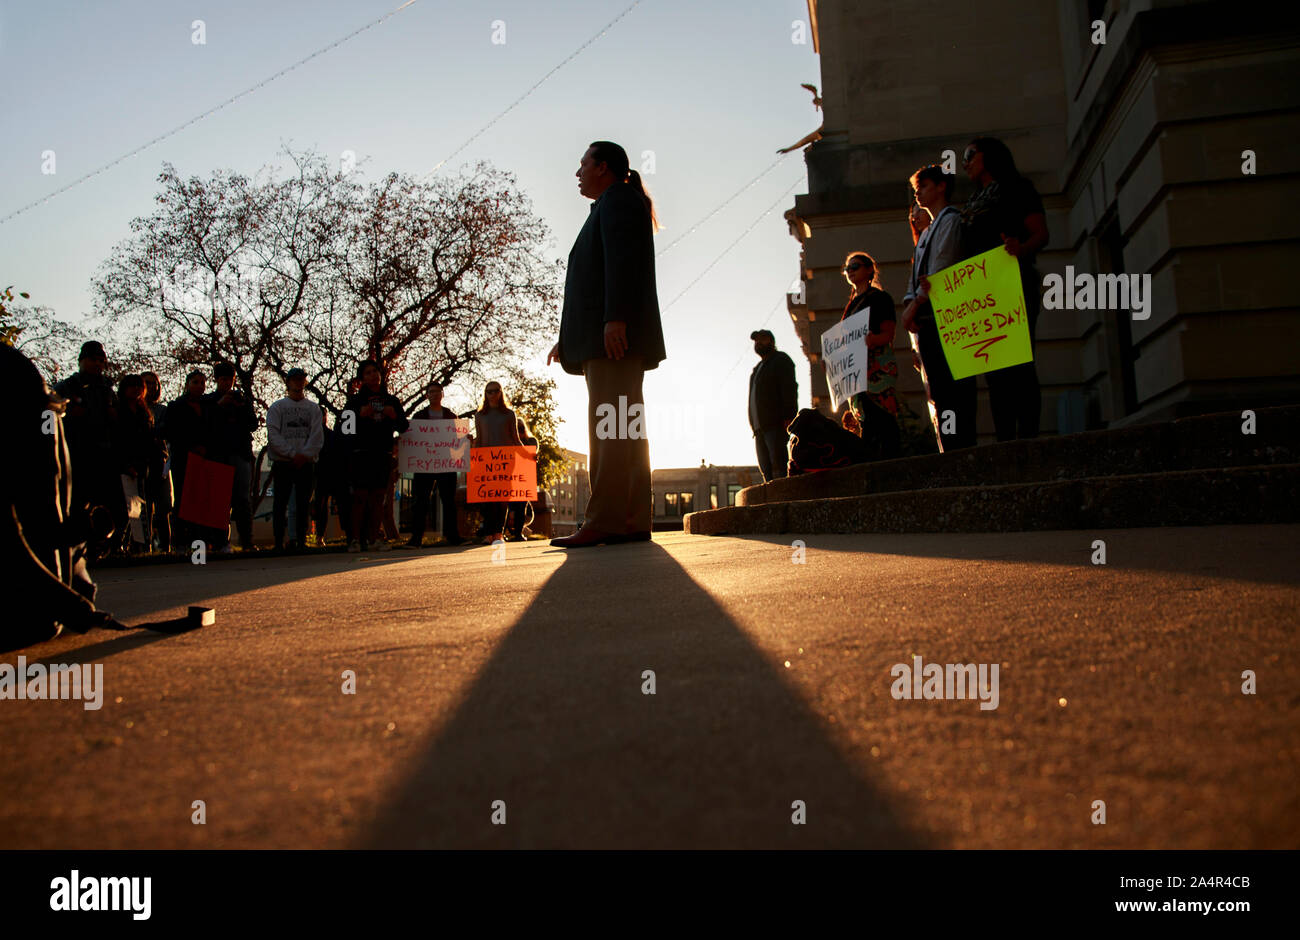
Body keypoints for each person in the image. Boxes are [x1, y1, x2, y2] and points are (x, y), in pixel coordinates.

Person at [547, 140, 666, 548]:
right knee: (624, 425)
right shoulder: (613, 203)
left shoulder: (617, 200)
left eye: (583, 164)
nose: (577, 172)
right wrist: (568, 338)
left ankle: (607, 520)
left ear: (602, 167)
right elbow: (593, 280)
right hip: (604, 337)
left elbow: (622, 265)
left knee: (611, 426)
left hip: (612, 339)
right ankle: (630, 519)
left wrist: (615, 319)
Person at [958, 136, 1049, 440]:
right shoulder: (972, 200)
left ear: (989, 156)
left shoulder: (1018, 188)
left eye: (970, 155)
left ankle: (1028, 439)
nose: (965, 163)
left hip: (1012, 279)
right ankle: (1005, 440)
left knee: (1019, 363)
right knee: (994, 369)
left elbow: (1040, 233)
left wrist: (1021, 247)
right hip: (981, 292)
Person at [901, 164, 977, 452]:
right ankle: (950, 446)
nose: (918, 193)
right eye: (917, 189)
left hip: (950, 319)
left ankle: (961, 447)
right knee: (941, 393)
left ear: (941, 186)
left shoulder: (950, 221)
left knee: (956, 390)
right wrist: (911, 303)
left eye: (924, 187)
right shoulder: (928, 231)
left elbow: (940, 271)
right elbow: (918, 280)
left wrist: (915, 304)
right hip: (929, 321)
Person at [54, 341, 124, 559]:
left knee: (113, 504)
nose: (97, 364)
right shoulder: (67, 387)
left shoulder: (108, 390)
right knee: (79, 505)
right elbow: (52, 418)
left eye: (101, 360)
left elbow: (120, 423)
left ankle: (110, 545)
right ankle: (80, 547)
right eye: (93, 359)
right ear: (81, 360)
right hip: (78, 454)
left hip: (106, 455)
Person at [343, 360, 408, 552]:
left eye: (375, 371)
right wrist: (359, 415)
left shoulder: (391, 401)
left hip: (383, 454)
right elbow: (344, 430)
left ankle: (374, 539)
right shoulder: (355, 401)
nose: (373, 375)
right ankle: (355, 539)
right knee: (360, 496)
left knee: (379, 498)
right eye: (368, 372)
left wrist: (394, 416)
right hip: (361, 454)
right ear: (362, 378)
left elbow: (404, 427)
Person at [840, 252, 900, 460]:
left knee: (882, 418)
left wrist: (874, 340)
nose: (850, 272)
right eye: (847, 269)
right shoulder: (850, 306)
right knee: (864, 421)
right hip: (856, 371)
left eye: (855, 267)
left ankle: (891, 467)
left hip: (876, 370)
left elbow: (889, 333)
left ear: (869, 270)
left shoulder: (879, 298)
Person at [266, 368, 324, 553]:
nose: (298, 383)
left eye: (301, 379)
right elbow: (273, 435)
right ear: (288, 382)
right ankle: (278, 541)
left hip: (305, 463)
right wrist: (291, 454)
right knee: (280, 503)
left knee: (302, 503)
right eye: (295, 379)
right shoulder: (277, 407)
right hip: (283, 462)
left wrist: (304, 455)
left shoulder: (313, 408)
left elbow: (316, 436)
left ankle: (301, 539)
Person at [405, 380, 466, 548]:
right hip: (424, 466)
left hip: (446, 465)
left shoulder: (451, 416)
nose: (434, 394)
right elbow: (411, 438)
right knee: (421, 501)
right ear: (427, 395)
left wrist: (466, 440)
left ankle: (453, 536)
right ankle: (416, 538)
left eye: (437, 391)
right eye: (431, 392)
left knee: (449, 501)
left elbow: (458, 440)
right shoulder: (419, 417)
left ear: (442, 394)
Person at [205, 361, 258, 552]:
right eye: (223, 379)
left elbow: (253, 424)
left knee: (243, 500)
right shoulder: (209, 401)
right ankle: (221, 542)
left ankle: (247, 542)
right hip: (218, 455)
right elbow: (205, 425)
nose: (227, 383)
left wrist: (241, 407)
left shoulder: (242, 400)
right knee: (220, 501)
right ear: (217, 380)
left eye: (230, 379)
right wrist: (219, 406)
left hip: (240, 454)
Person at [163, 370, 214, 550]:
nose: (199, 386)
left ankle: (199, 545)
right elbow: (170, 431)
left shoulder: (208, 406)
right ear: (187, 384)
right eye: (195, 382)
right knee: (183, 501)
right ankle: (179, 544)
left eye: (202, 383)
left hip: (204, 459)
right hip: (183, 458)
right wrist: (190, 446)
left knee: (201, 502)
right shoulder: (176, 406)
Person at [471, 381, 525, 545]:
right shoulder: (479, 416)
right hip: (486, 460)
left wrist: (529, 455)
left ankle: (498, 533)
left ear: (501, 393)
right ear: (485, 394)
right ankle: (488, 533)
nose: (492, 394)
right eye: (489, 391)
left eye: (495, 391)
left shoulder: (509, 414)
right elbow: (479, 439)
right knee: (487, 499)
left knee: (503, 498)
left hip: (506, 461)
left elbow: (516, 439)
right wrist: (473, 456)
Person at [747, 329, 798, 482]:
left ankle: (782, 499)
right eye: (756, 341)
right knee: (766, 470)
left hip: (775, 425)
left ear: (771, 341)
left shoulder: (780, 360)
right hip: (759, 428)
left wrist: (789, 416)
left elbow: (789, 388)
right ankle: (771, 501)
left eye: (762, 339)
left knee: (779, 467)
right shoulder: (757, 369)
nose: (758, 343)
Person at [113, 374, 155, 554]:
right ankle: (117, 544)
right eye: (132, 386)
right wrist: (125, 463)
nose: (136, 390)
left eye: (139, 386)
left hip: (141, 465)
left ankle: (136, 544)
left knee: (137, 508)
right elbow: (118, 440)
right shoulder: (118, 410)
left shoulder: (143, 412)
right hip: (123, 465)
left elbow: (148, 439)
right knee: (122, 508)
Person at [312, 406, 352, 546]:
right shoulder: (331, 434)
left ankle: (320, 536)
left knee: (325, 505)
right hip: (330, 474)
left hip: (329, 473)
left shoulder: (326, 434)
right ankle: (347, 535)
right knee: (336, 505)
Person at [141, 371, 171, 552]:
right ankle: (145, 547)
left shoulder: (163, 410)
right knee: (144, 508)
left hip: (160, 462)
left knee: (164, 507)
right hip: (141, 462)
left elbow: (165, 431)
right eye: (147, 383)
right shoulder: (134, 410)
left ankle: (166, 547)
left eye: (154, 383)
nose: (151, 386)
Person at [506, 415, 539, 540]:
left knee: (521, 506)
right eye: (515, 429)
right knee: (509, 508)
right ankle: (505, 532)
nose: (519, 431)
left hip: (523, 479)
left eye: (520, 428)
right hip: (508, 479)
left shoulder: (531, 441)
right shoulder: (507, 442)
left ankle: (518, 533)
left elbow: (532, 451)